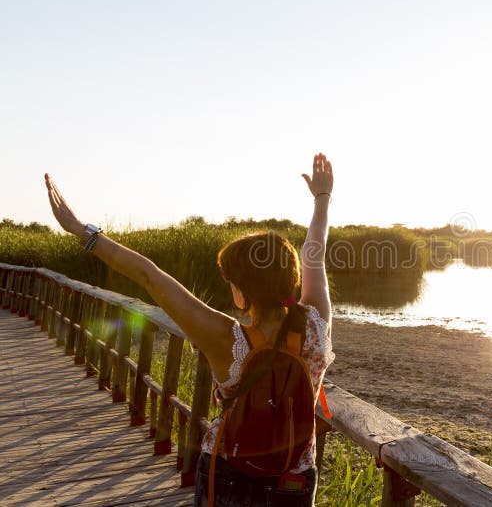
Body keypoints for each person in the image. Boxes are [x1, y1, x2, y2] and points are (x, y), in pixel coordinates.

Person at [45, 153, 335, 506]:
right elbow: (314, 254)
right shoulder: (316, 327)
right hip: (294, 479)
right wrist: (322, 198)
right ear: (290, 278)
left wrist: (83, 231)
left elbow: (149, 276)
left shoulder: (225, 339)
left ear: (242, 292)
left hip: (228, 473)